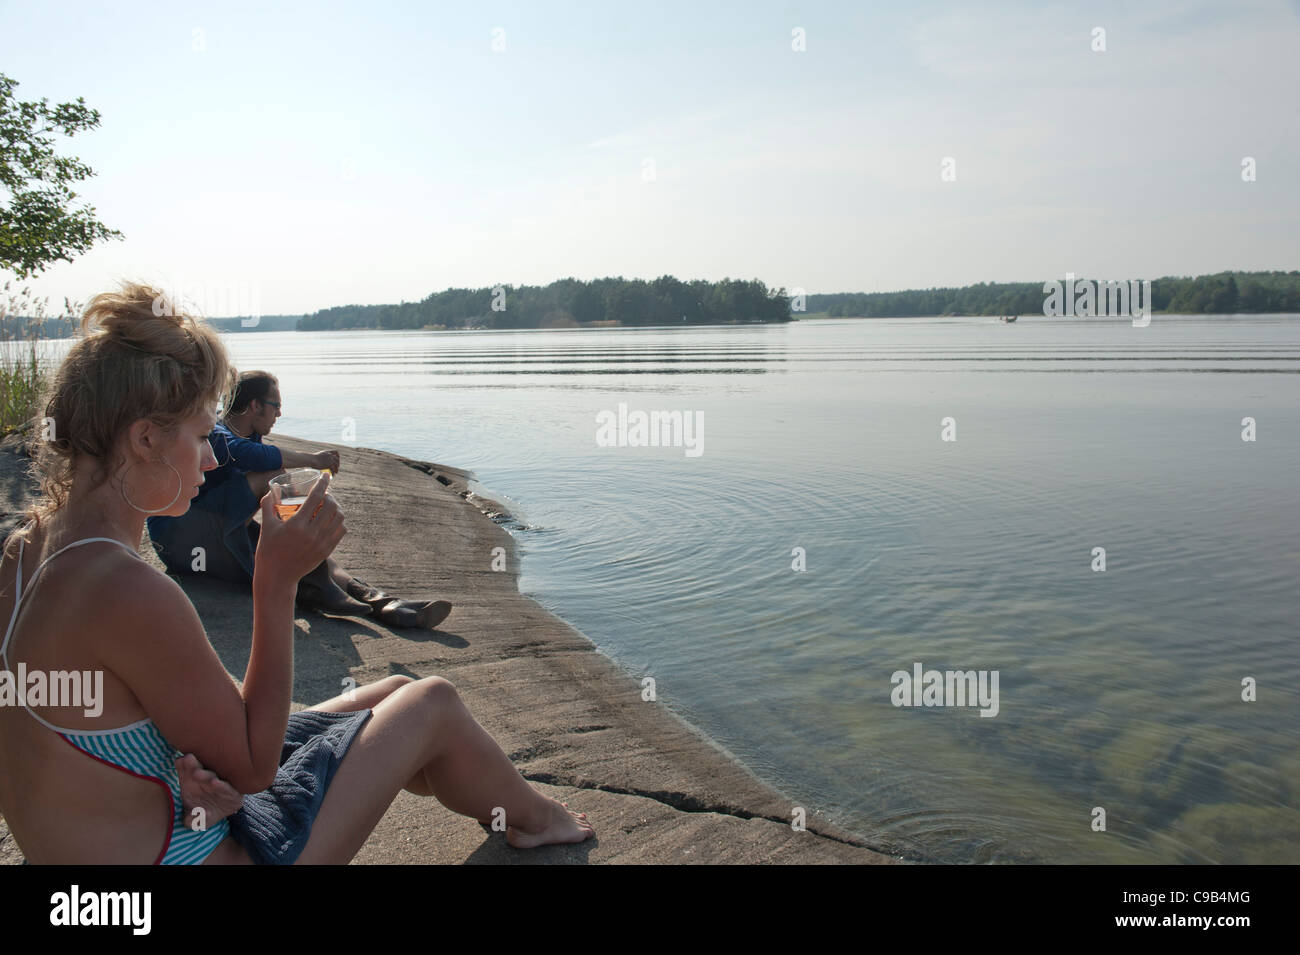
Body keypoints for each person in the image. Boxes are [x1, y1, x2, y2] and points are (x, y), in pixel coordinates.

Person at [0, 282, 593, 864]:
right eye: (205, 436)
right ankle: (539, 821)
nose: (213, 458)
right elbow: (254, 769)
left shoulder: (25, 553)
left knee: (390, 695)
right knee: (432, 702)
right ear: (146, 438)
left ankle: (472, 783)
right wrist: (276, 580)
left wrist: (180, 778)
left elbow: (84, 730)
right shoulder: (128, 590)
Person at [146, 369, 451, 629]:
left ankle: (381, 601)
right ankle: (316, 586)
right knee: (271, 477)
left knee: (313, 553)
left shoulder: (248, 437)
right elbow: (246, 455)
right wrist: (314, 459)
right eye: (275, 405)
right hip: (180, 538)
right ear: (255, 406)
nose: (279, 413)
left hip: (215, 528)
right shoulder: (217, 432)